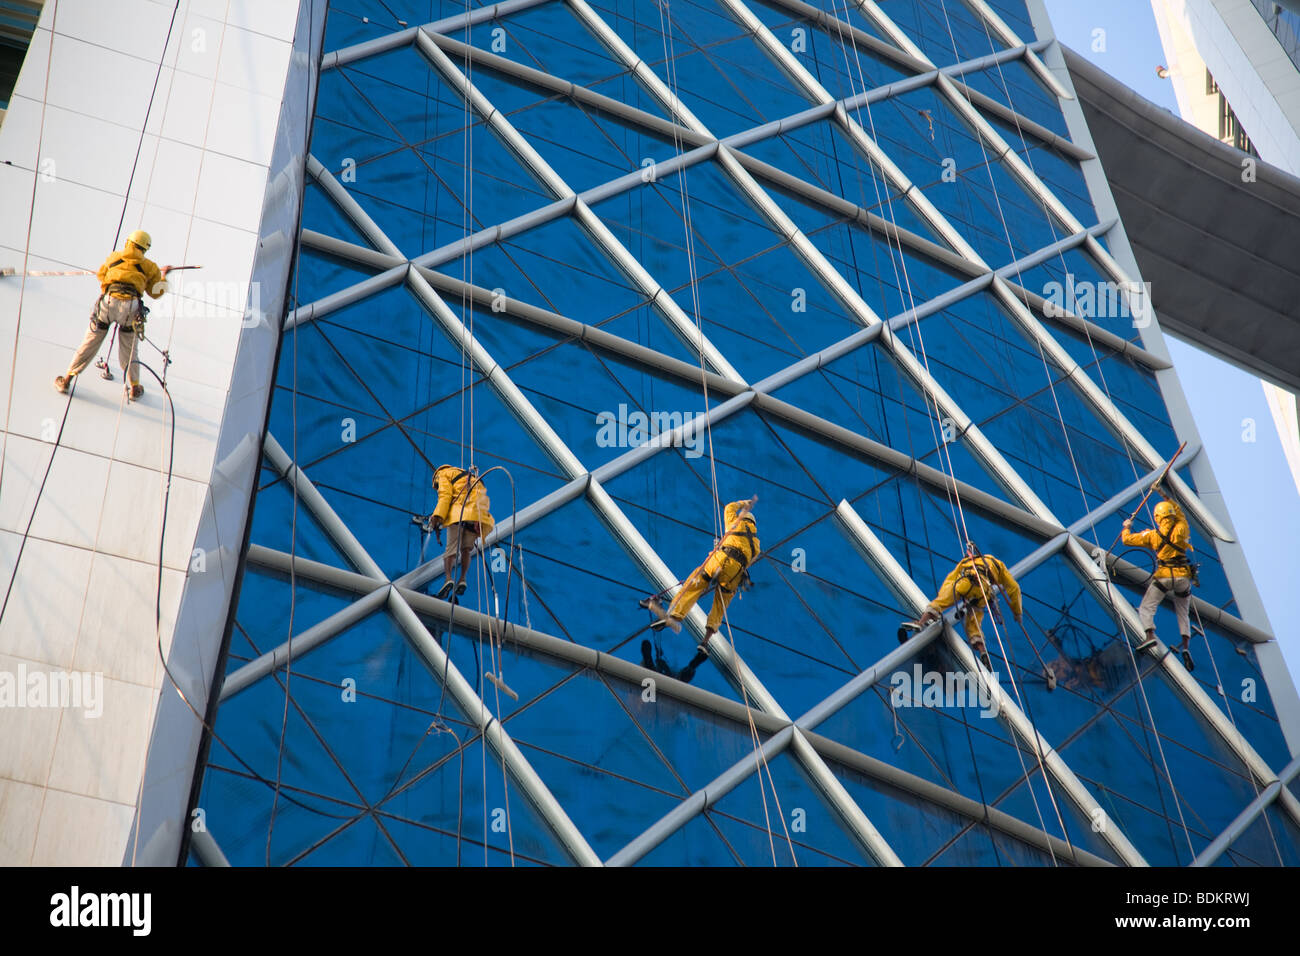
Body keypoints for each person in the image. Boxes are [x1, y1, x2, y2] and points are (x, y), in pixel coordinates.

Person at [54, 230, 171, 399]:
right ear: (145, 249)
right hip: (130, 307)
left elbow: (102, 276)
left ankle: (66, 380)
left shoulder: (115, 257)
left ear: (128, 243)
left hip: (109, 302)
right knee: (129, 348)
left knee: (90, 341)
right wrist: (164, 275)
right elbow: (157, 292)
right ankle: (135, 387)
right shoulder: (149, 266)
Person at [652, 498, 759, 644]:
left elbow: (729, 507)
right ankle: (705, 641)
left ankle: (673, 616)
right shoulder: (756, 545)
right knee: (721, 605)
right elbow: (748, 562)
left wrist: (744, 503)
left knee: (694, 584)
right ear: (753, 525)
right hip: (735, 573)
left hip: (721, 559)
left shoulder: (736, 522)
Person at [902, 541, 1022, 671]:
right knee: (974, 624)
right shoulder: (999, 565)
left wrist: (942, 598)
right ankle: (982, 651)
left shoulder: (965, 563)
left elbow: (949, 580)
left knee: (940, 603)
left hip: (964, 582)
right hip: (983, 591)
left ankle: (921, 622)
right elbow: (1014, 588)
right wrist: (1017, 612)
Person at [1123, 490, 1196, 670]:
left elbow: (1127, 540)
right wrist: (1166, 496)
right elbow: (1180, 512)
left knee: (1147, 607)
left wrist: (1127, 526)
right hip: (1183, 578)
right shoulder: (1182, 528)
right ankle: (1186, 647)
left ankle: (1150, 636)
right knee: (1183, 612)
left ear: (1157, 517)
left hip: (1164, 577)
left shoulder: (1152, 535)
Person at [427, 464, 493, 602]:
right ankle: (462, 579)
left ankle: (448, 579)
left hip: (459, 515)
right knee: (466, 550)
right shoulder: (474, 478)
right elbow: (483, 502)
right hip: (475, 519)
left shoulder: (443, 475)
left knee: (450, 549)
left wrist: (437, 516)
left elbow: (445, 496)